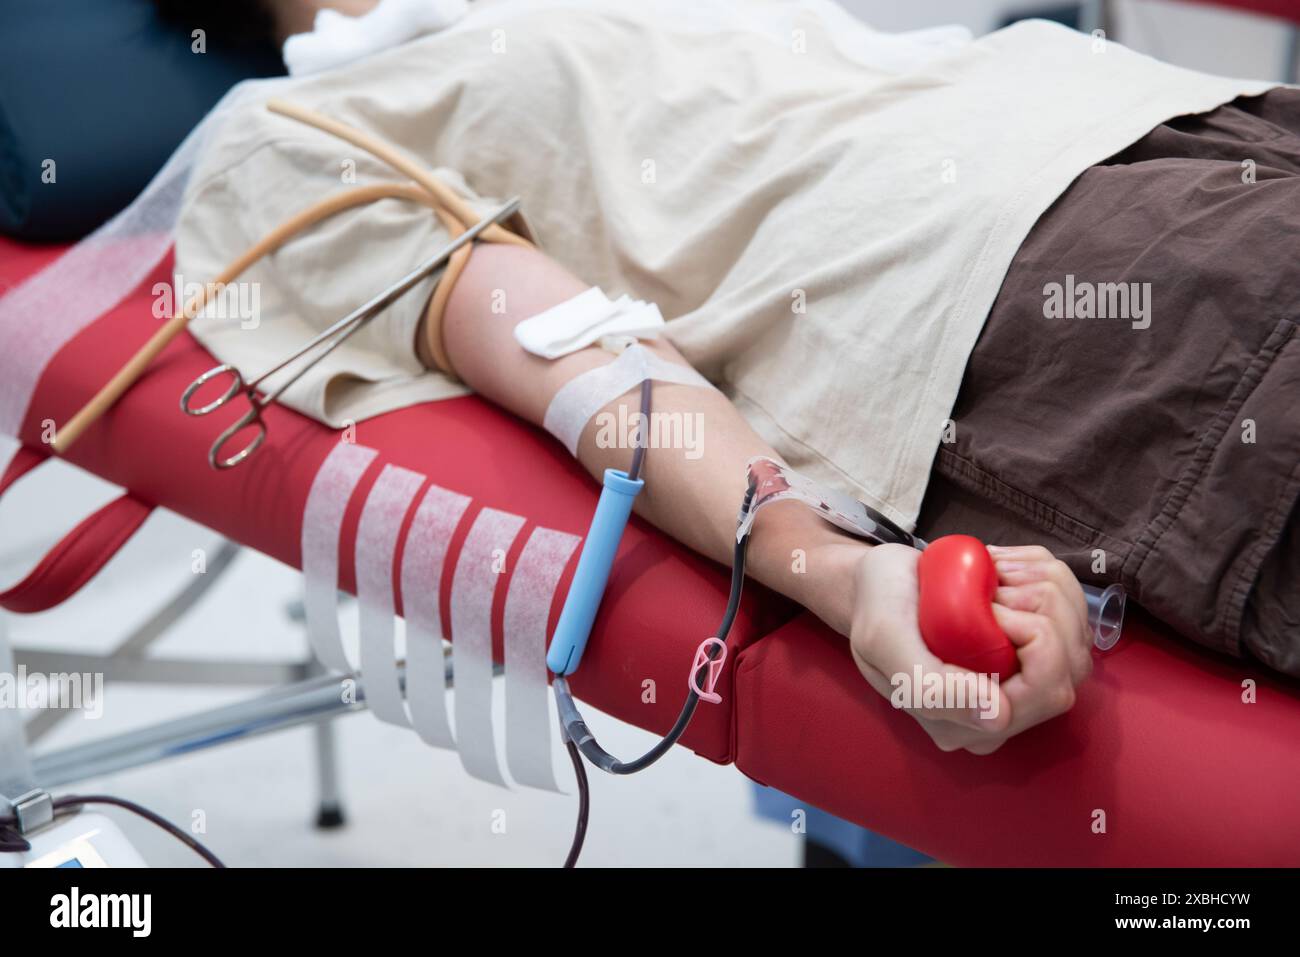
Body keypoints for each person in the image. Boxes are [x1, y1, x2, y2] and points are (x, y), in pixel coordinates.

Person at [166, 0, 1297, 759]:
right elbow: (575, 351)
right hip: (1033, 277)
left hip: (1172, 115)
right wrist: (843, 577)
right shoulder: (287, 136)